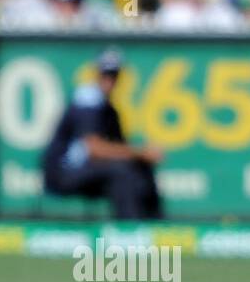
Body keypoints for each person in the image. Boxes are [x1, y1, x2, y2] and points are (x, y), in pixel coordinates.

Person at [41, 48, 163, 220]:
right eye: (105, 74)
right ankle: (129, 230)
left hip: (89, 170)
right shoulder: (87, 99)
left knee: (140, 169)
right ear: (96, 74)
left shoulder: (110, 110)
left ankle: (154, 227)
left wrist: (140, 157)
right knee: (122, 172)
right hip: (64, 171)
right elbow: (94, 149)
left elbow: (120, 149)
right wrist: (141, 152)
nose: (109, 80)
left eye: (113, 75)